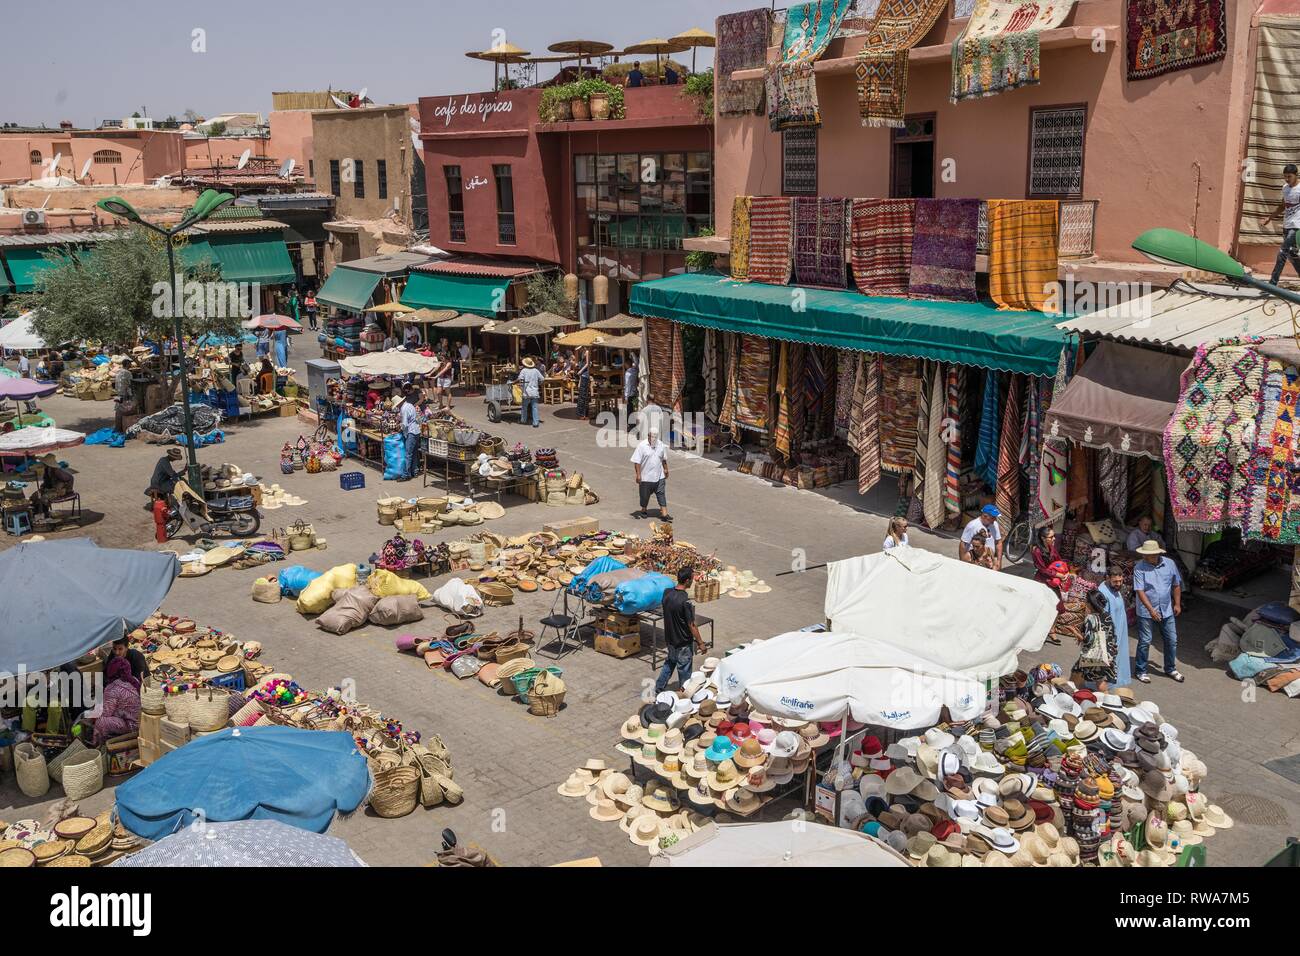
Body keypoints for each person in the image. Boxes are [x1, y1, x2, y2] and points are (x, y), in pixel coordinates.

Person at [1132, 539, 1183, 683]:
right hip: (1146, 611)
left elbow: (1176, 584)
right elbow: (1140, 591)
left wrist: (1177, 604)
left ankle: (1170, 668)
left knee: (1171, 640)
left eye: (1153, 554)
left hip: (1166, 609)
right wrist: (1151, 610)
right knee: (1145, 641)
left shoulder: (1169, 564)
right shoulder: (1139, 568)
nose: (1150, 557)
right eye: (1148, 555)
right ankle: (1141, 670)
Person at [654, 566, 706, 694]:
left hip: (670, 640)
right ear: (688, 580)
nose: (693, 581)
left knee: (670, 663)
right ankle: (684, 694)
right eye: (692, 578)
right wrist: (701, 643)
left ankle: (659, 688)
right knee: (684, 670)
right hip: (683, 642)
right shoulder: (685, 601)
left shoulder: (667, 593)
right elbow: (691, 625)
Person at [88, 656, 141, 746]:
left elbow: (105, 713)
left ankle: (99, 746)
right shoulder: (134, 680)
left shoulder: (112, 688)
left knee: (101, 722)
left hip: (131, 725)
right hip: (140, 720)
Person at [1074, 588, 1119, 691]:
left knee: (1078, 676)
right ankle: (1104, 702)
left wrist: (1075, 633)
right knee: (1100, 681)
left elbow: (1088, 640)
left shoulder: (1091, 618)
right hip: (1107, 654)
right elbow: (1112, 635)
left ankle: (1079, 698)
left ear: (1091, 603)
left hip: (1094, 656)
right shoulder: (1107, 616)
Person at [1264, 163, 1300, 284]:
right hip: (1287, 224)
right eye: (1285, 176)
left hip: (1296, 226)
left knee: (1282, 252)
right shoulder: (1285, 188)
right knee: (1292, 254)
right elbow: (1283, 205)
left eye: (1289, 176)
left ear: (1296, 175)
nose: (1286, 179)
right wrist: (1270, 217)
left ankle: (1273, 283)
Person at [1097, 567, 1131, 687]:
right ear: (1107, 578)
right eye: (1115, 581)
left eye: (1120, 581)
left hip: (1120, 632)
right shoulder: (1102, 593)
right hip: (1110, 636)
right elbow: (1102, 620)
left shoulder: (1116, 589)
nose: (1118, 584)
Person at [631, 426, 670, 522]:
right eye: (651, 437)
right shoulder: (642, 446)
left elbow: (663, 459)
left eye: (655, 438)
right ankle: (644, 509)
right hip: (646, 477)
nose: (652, 439)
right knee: (644, 496)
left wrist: (666, 469)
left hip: (659, 475)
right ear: (648, 436)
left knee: (661, 493)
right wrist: (638, 475)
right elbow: (637, 462)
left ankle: (664, 513)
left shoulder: (661, 445)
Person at [29, 454, 74, 518]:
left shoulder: (58, 471)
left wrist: (66, 488)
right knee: (34, 496)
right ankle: (35, 513)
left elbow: (70, 478)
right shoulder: (47, 469)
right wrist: (43, 487)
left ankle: (45, 514)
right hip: (51, 489)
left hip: (61, 490)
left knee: (44, 497)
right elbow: (47, 482)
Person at [959, 504, 1003, 569]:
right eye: (993, 517)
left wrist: (999, 561)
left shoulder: (995, 525)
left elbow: (998, 543)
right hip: (975, 560)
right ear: (985, 516)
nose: (995, 519)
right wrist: (962, 562)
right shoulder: (972, 525)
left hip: (989, 558)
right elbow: (963, 543)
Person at [398, 384, 423, 481]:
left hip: (411, 432)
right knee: (414, 452)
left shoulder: (404, 409)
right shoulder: (410, 405)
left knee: (408, 454)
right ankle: (415, 471)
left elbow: (404, 424)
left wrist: (400, 429)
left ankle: (406, 475)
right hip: (416, 431)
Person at [517, 356, 544, 428]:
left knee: (524, 407)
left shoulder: (524, 370)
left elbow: (520, 379)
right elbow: (542, 379)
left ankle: (523, 420)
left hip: (526, 392)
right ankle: (535, 423)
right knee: (534, 407)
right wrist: (538, 384)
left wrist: (516, 383)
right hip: (534, 392)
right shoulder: (536, 370)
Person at [575, 347, 592, 418]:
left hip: (585, 375)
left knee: (583, 395)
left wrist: (580, 371)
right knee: (582, 395)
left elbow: (587, 364)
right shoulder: (581, 352)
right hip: (583, 375)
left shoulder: (587, 352)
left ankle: (583, 414)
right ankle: (582, 413)